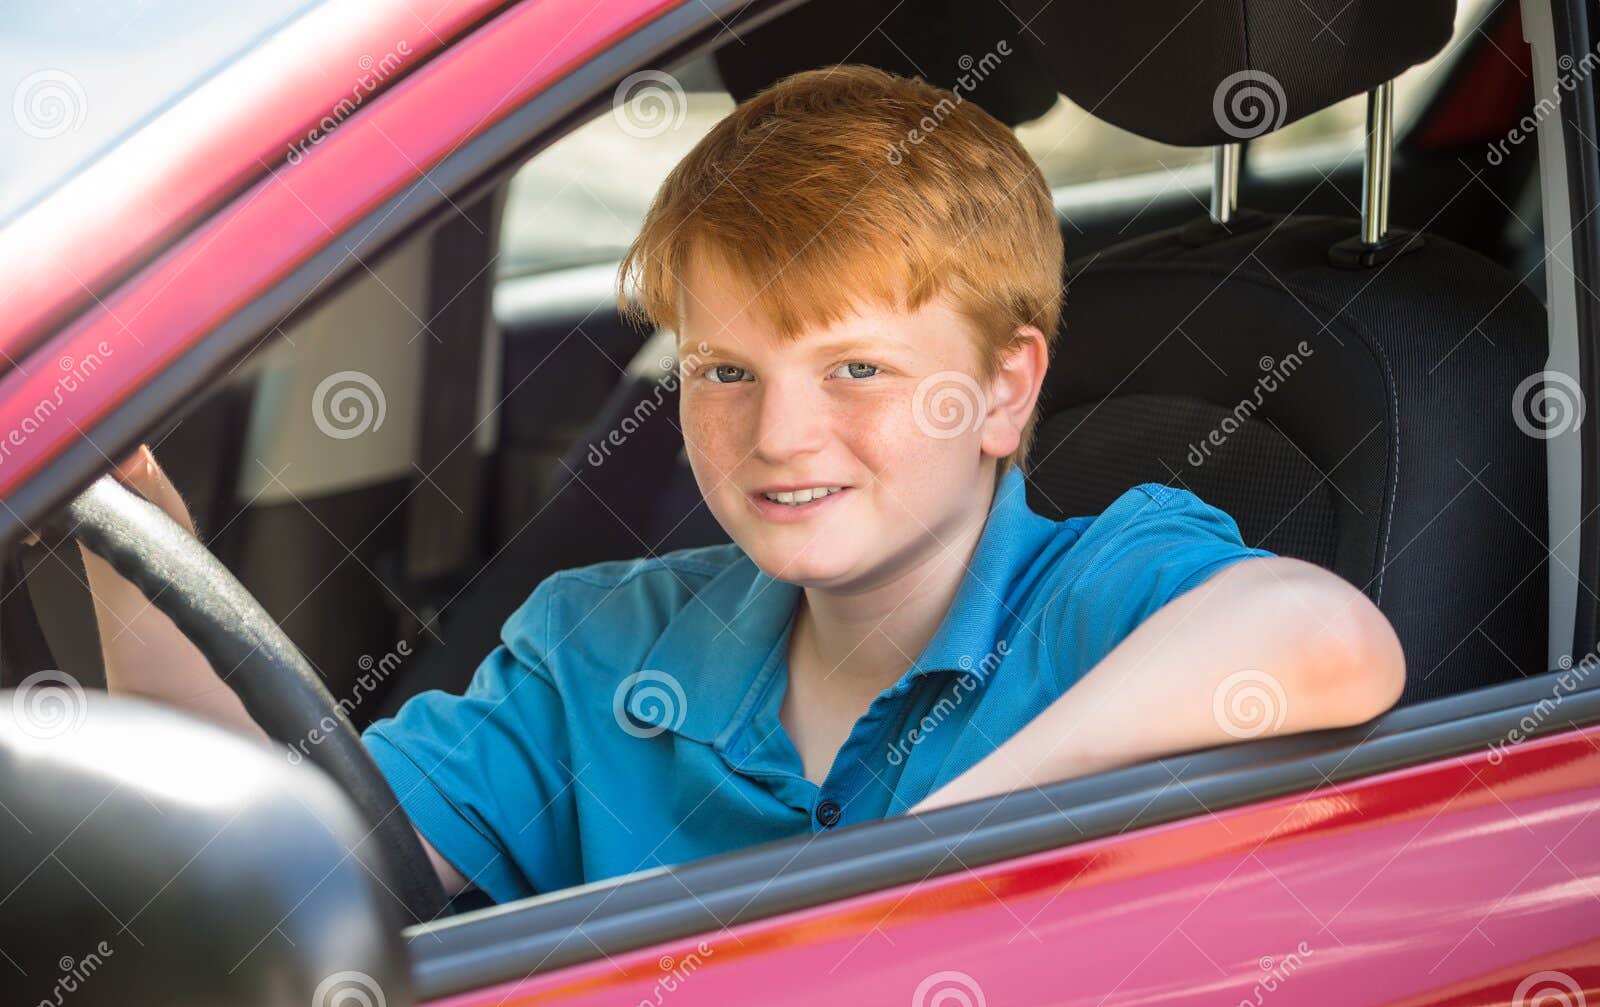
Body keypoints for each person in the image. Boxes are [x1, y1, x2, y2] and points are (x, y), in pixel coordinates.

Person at [83, 65, 1404, 905]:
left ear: (1004, 392)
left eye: (859, 369)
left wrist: (925, 844)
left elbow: (1328, 642)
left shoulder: (1093, 584)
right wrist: (130, 549)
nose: (779, 432)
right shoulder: (600, 649)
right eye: (723, 371)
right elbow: (298, 867)